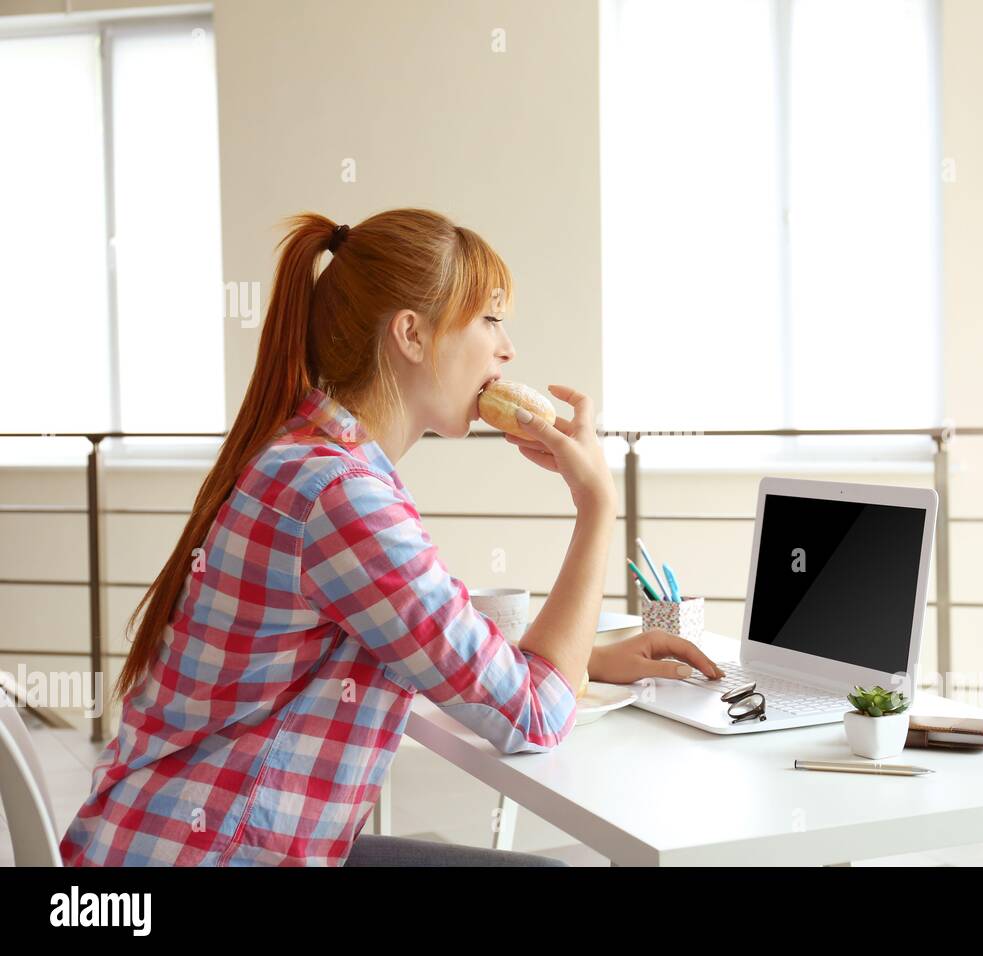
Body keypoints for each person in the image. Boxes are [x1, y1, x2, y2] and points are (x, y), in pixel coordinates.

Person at [59, 208, 722, 866]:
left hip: (157, 843)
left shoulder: (308, 458)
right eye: (489, 318)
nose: (508, 348)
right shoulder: (342, 498)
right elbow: (534, 717)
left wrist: (585, 659)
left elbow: (442, 642)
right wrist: (596, 503)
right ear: (411, 334)